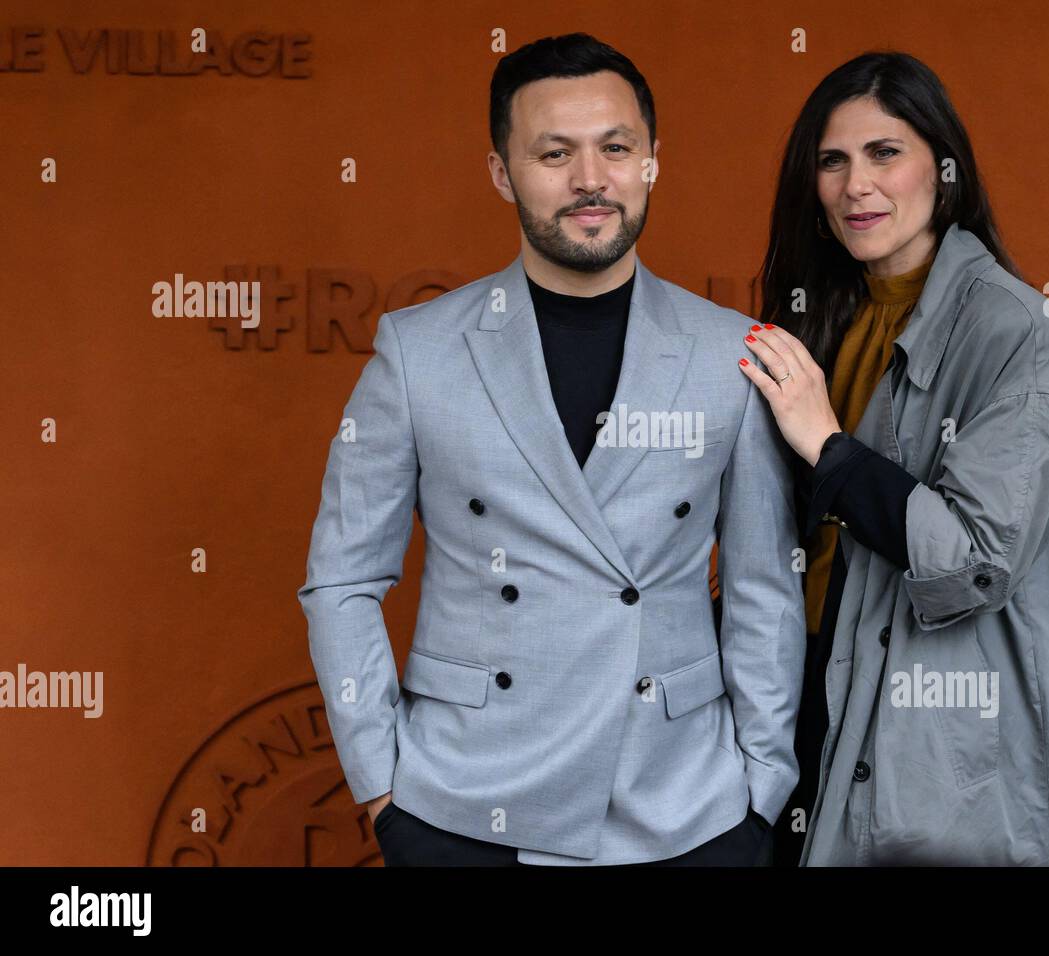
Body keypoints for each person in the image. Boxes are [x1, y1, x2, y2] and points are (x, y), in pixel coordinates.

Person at [296, 33, 803, 866]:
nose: (590, 180)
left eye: (616, 148)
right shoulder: (418, 351)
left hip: (683, 808)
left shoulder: (731, 354)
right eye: (553, 153)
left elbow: (763, 590)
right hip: (462, 806)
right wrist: (384, 790)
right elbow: (343, 578)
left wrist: (761, 787)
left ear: (652, 162)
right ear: (502, 172)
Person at [741, 51, 1049, 866]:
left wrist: (830, 447)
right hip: (800, 699)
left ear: (943, 173)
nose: (855, 186)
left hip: (934, 737)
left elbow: (976, 560)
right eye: (832, 161)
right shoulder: (819, 317)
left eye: (885, 153)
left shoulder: (1014, 332)